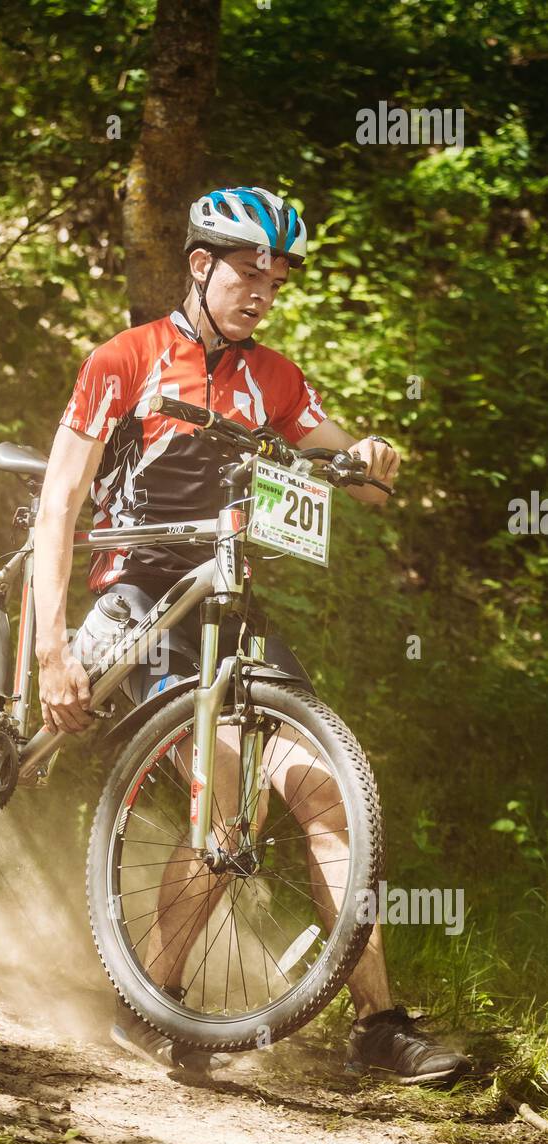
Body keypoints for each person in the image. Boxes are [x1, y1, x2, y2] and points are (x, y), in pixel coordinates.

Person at [33, 184, 471, 1085]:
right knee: (227, 781)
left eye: (279, 273)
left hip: (228, 604)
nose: (266, 286)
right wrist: (49, 649)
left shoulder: (272, 376)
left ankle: (378, 1025)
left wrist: (374, 461)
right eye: (249, 269)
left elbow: (356, 472)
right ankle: (151, 1003)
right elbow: (57, 505)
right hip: (139, 594)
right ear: (201, 265)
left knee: (329, 793)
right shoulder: (127, 358)